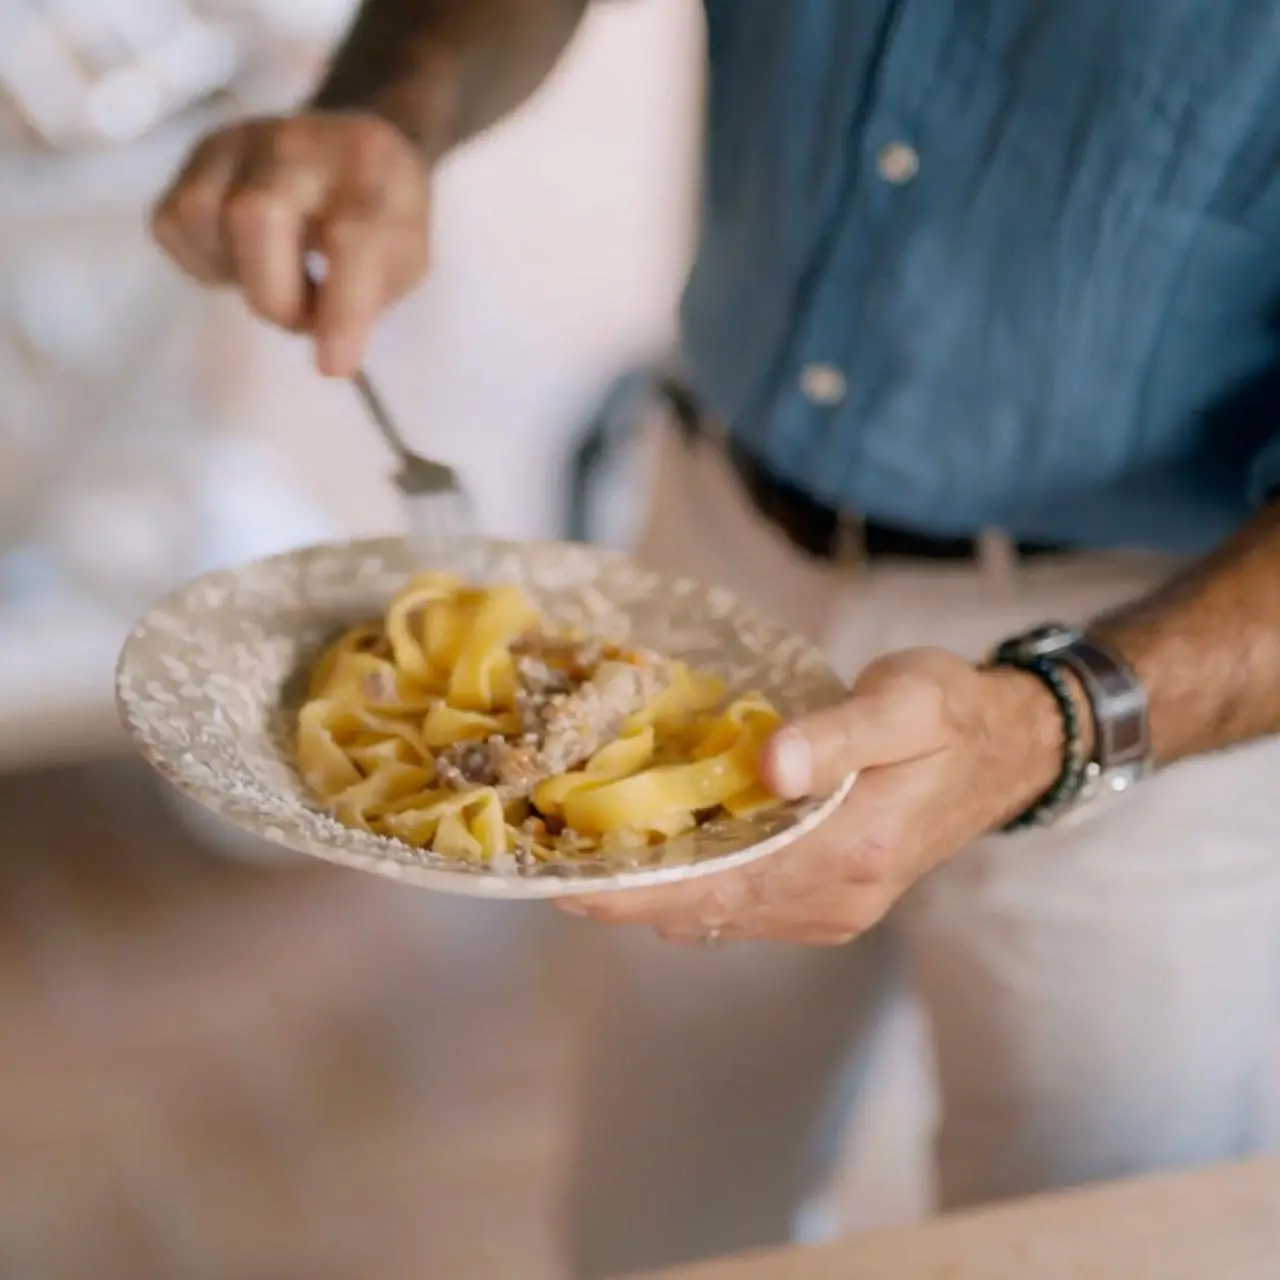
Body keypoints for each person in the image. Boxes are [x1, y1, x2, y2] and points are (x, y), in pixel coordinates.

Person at [152, 2, 1280, 1275]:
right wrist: (389, 103)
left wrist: (1060, 720)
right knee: (655, 1203)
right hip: (709, 557)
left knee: (1081, 1234)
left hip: (1153, 661)